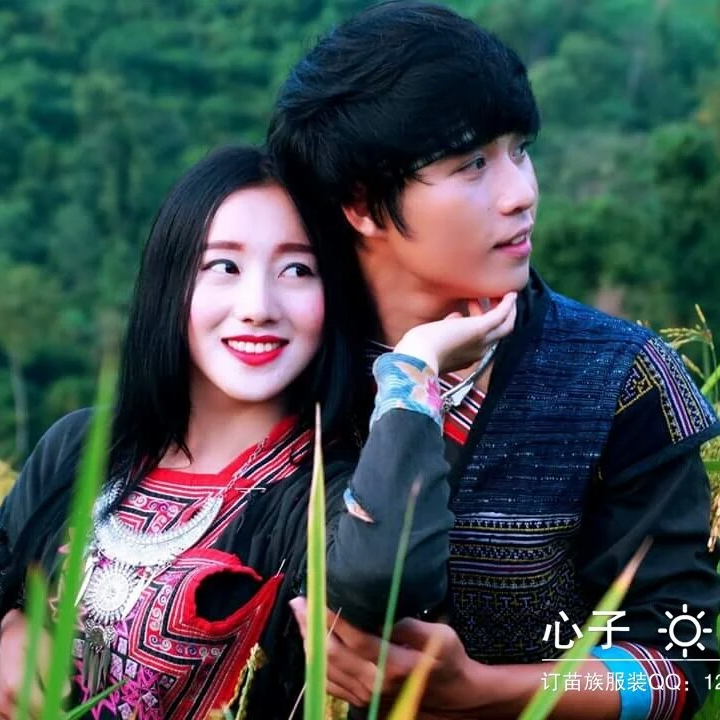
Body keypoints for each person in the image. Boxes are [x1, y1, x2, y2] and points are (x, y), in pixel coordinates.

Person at [268, 2, 720, 718]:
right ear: (362, 204)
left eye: (519, 150)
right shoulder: (276, 364)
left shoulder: (617, 377)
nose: (522, 193)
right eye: (473, 163)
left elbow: (682, 661)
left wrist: (483, 692)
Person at [0, 144, 516, 720]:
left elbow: (383, 580)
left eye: (298, 270)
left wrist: (413, 366)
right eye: (224, 266)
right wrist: (8, 627)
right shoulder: (81, 446)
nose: (258, 307)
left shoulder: (327, 495)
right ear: (171, 282)